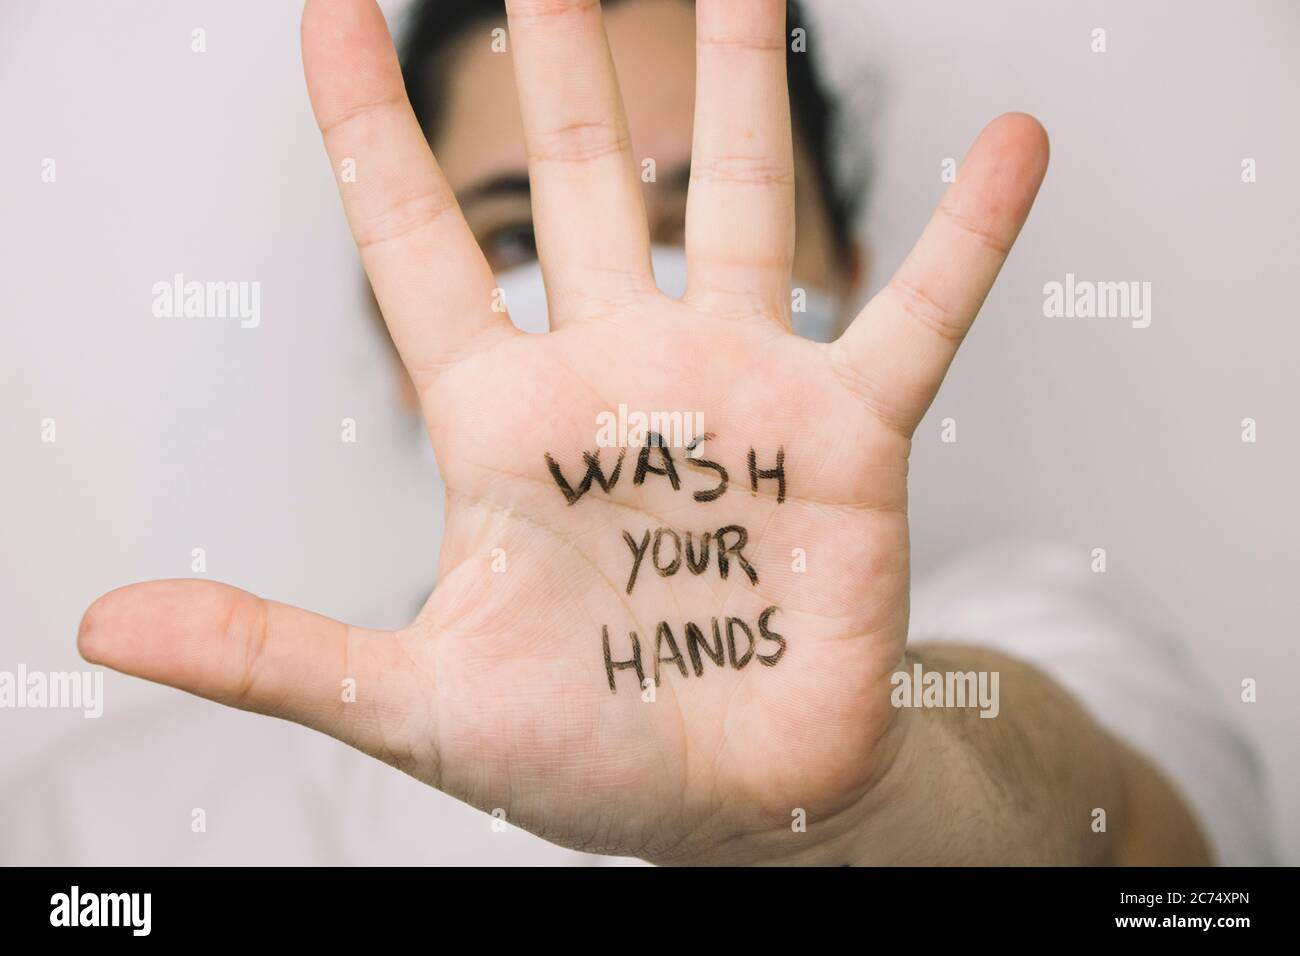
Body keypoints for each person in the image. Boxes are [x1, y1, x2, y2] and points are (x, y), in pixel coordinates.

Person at [10, 0, 1269, 866]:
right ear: (398, 332)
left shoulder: (1033, 630)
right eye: (517, 235)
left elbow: (1151, 861)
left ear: (854, 269)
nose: (637, 314)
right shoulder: (124, 819)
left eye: (715, 215)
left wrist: (872, 793)